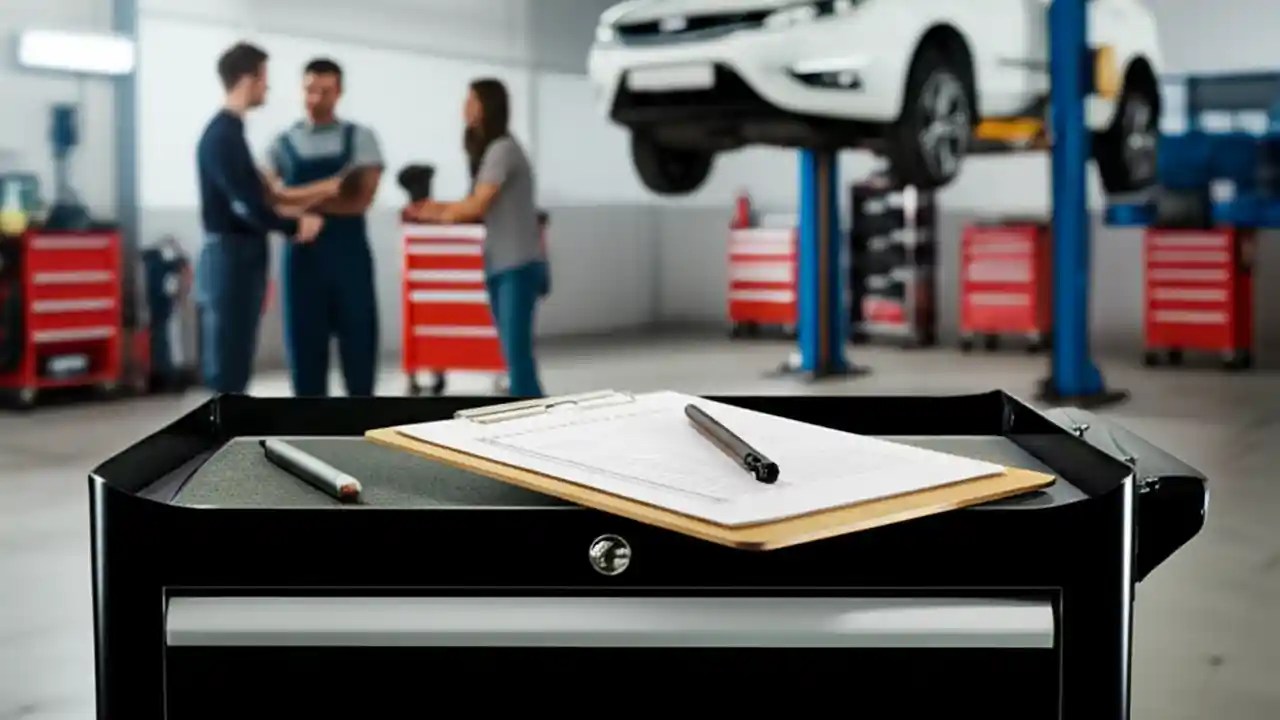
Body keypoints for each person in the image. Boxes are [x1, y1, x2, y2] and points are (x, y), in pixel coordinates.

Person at [408, 78, 548, 398]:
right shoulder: (492, 150)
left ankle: (533, 420)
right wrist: (434, 208)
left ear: (490, 107)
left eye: (473, 101)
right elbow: (474, 202)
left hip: (517, 264)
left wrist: (436, 213)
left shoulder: (502, 149)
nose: (465, 108)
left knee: (517, 358)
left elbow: (476, 205)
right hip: (501, 264)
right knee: (514, 357)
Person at [196, 42, 323, 395]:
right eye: (264, 78)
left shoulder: (231, 134)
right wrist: (294, 225)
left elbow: (249, 196)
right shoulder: (223, 136)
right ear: (248, 79)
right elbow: (245, 205)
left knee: (235, 352)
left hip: (239, 256)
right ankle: (222, 442)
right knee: (229, 360)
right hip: (231, 257)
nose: (267, 87)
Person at [262, 58, 384, 397]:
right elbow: (267, 200)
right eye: (310, 90)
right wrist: (331, 186)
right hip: (301, 264)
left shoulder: (361, 138)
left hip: (350, 262)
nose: (315, 99)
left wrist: (292, 199)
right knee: (305, 359)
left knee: (360, 353)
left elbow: (360, 200)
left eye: (325, 92)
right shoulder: (281, 142)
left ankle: (360, 438)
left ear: (340, 92)